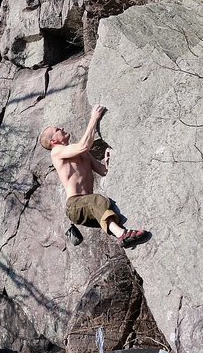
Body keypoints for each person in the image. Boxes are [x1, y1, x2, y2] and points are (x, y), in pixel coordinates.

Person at [39, 104, 148, 248]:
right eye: (58, 130)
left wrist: (108, 160)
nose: (62, 129)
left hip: (90, 204)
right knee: (97, 200)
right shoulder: (57, 152)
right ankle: (123, 235)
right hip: (75, 206)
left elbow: (103, 171)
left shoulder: (82, 153)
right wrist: (94, 118)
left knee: (110, 208)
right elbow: (84, 145)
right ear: (53, 141)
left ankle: (125, 234)